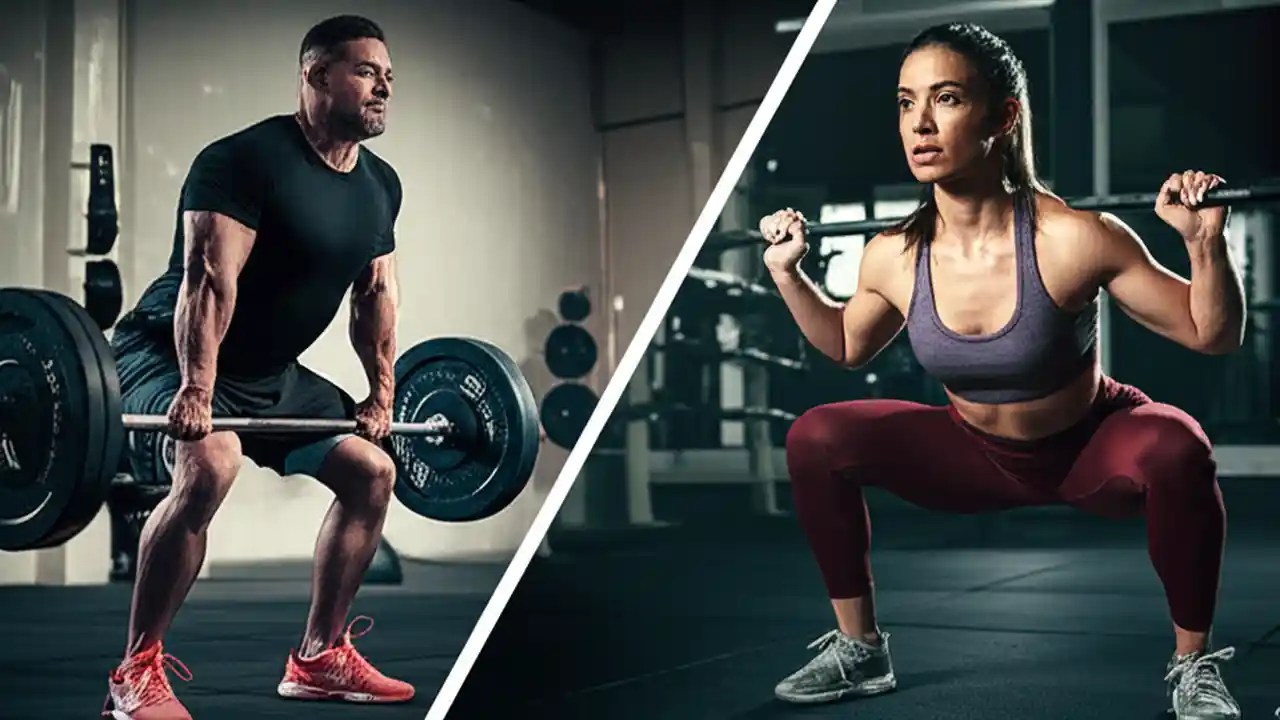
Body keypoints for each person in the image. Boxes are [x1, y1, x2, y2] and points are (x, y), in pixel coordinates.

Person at [759, 22, 1243, 720]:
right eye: (905, 102)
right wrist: (788, 275)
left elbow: (1211, 333)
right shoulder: (892, 254)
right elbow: (843, 345)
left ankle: (1193, 665)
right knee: (816, 435)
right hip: (973, 456)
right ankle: (860, 649)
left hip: (1089, 451)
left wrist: (1204, 246)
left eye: (947, 98)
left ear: (1002, 116)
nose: (920, 123)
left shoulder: (1074, 237)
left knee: (1178, 444)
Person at [102, 15, 415, 719]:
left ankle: (319, 657)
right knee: (211, 464)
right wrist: (196, 388)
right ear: (315, 74)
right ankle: (135, 673)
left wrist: (381, 395)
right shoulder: (244, 160)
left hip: (271, 371)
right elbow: (209, 281)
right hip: (170, 350)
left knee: (373, 472)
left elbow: (377, 295)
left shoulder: (380, 185)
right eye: (367, 72)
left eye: (388, 77)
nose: (383, 88)